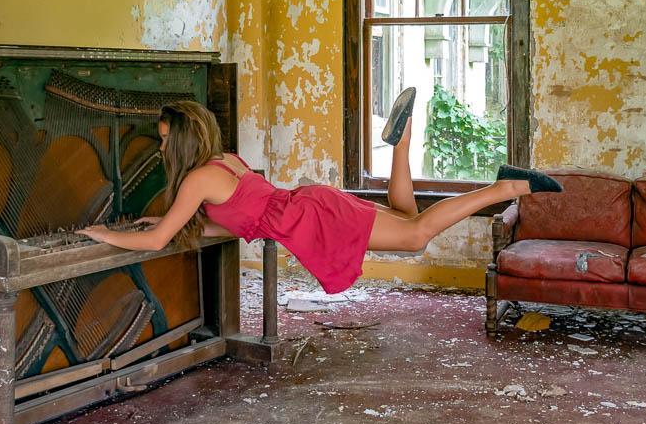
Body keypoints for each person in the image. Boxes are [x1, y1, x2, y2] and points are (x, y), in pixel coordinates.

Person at [77, 89, 562, 294]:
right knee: (406, 212)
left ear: (179, 139)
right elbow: (226, 217)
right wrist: (168, 221)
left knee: (416, 236)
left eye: (164, 139)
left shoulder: (196, 179)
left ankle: (504, 186)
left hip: (311, 217)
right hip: (307, 204)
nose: (161, 148)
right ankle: (402, 140)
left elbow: (159, 241)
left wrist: (104, 234)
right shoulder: (220, 160)